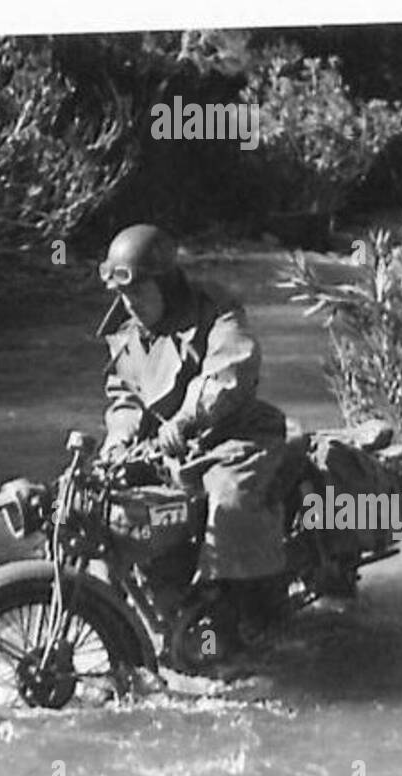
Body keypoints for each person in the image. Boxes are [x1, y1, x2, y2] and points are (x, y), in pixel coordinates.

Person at [95, 223, 289, 640]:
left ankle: (235, 612)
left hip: (234, 437)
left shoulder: (215, 309)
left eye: (139, 292)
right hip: (163, 452)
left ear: (166, 282)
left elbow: (230, 370)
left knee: (229, 501)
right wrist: (118, 443)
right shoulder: (127, 332)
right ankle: (132, 604)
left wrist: (185, 418)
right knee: (107, 506)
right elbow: (125, 398)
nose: (130, 305)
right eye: (123, 296)